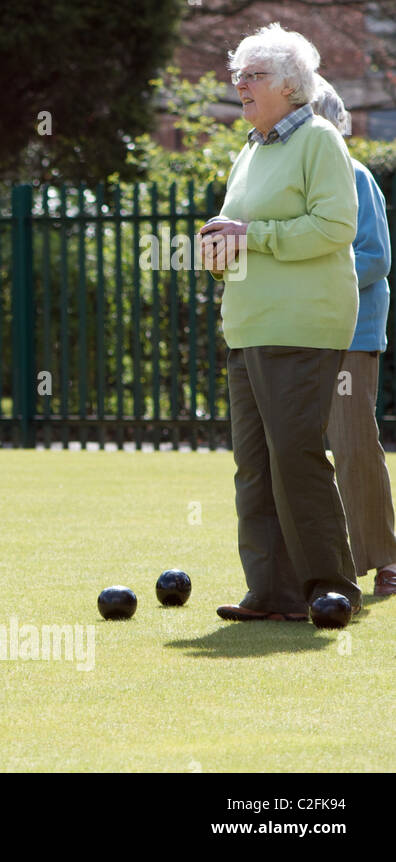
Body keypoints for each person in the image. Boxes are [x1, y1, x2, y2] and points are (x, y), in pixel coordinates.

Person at [198, 23, 363, 620]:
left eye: (255, 74)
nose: (240, 83)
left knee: (295, 456)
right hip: (247, 326)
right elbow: (242, 238)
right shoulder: (249, 148)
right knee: (255, 465)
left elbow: (335, 227)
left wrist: (252, 236)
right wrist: (220, 253)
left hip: (301, 325)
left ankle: (329, 586)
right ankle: (271, 591)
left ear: (292, 85)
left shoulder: (319, 139)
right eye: (238, 73)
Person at [311, 75, 396, 597]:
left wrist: (311, 274)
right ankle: (326, 563)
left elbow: (375, 257)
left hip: (351, 332)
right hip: (302, 331)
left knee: (353, 443)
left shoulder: (354, 174)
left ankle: (384, 557)